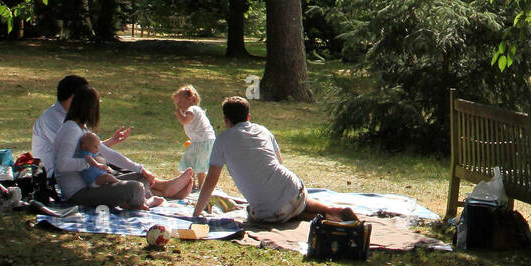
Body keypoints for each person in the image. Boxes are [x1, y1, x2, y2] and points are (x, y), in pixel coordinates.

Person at [192, 96, 354, 223]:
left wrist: (196, 213)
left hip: (269, 211)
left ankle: (324, 215)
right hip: (293, 188)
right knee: (296, 202)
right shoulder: (263, 130)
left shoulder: (223, 139)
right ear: (249, 117)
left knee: (266, 211)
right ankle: (332, 210)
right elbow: (279, 162)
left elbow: (211, 180)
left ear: (226, 121)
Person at [31, 74, 185, 199]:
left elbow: (94, 149)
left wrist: (140, 169)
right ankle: (157, 191)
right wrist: (93, 163)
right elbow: (70, 158)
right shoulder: (60, 122)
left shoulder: (76, 123)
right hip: (75, 183)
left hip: (87, 178)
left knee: (135, 177)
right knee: (128, 181)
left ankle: (157, 191)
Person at [52, 86, 196, 209]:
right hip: (79, 193)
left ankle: (145, 198)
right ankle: (146, 201)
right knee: (135, 188)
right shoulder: (70, 129)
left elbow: (109, 154)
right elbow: (62, 165)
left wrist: (141, 169)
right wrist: (90, 163)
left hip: (96, 183)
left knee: (142, 178)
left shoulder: (82, 129)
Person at [173, 84, 215, 191]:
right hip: (198, 141)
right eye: (177, 104)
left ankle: (202, 186)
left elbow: (185, 120)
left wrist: (179, 114)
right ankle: (192, 184)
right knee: (190, 162)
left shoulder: (192, 109)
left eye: (180, 102)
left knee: (200, 164)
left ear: (190, 98)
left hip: (203, 140)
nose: (178, 106)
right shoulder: (193, 109)